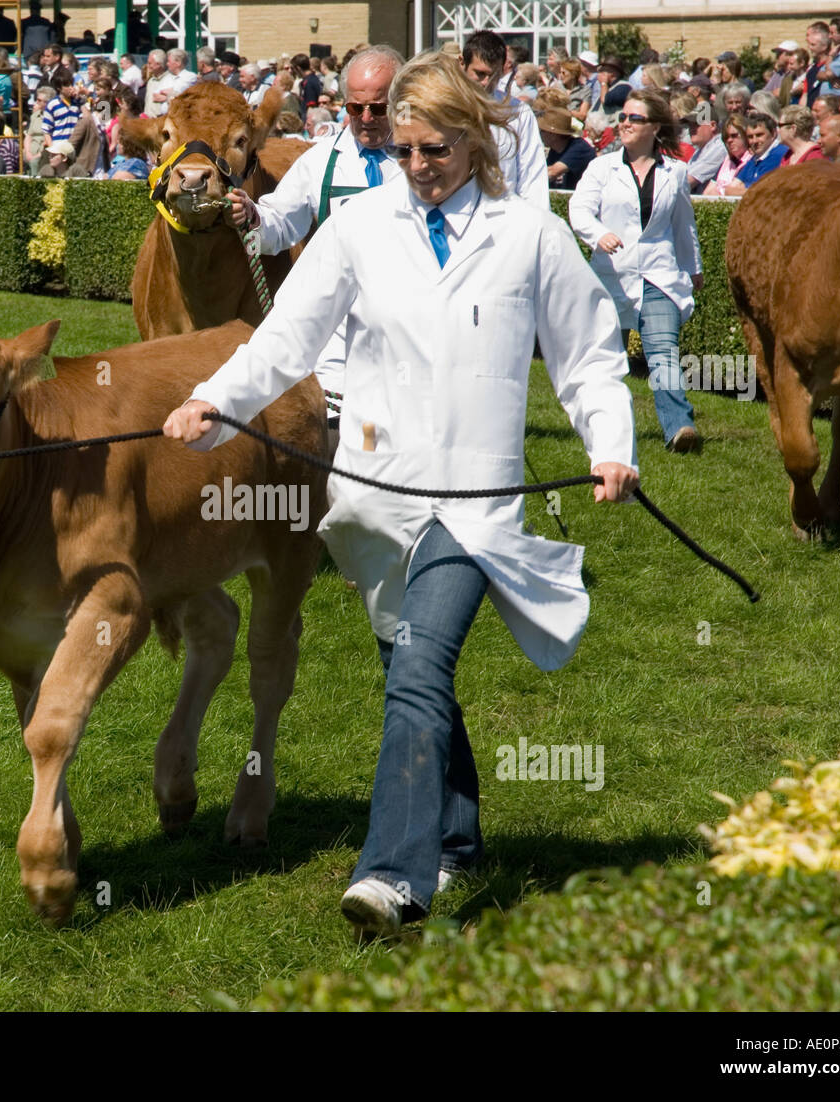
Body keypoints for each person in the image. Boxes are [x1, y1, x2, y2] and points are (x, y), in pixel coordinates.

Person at [164, 50, 638, 937]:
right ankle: (457, 839)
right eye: (407, 151)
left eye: (438, 150)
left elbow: (589, 355)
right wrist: (214, 402)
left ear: (477, 142)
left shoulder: (531, 234)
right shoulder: (358, 227)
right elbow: (286, 338)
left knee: (419, 664)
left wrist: (610, 445)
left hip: (476, 503)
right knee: (412, 672)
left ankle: (393, 876)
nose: (419, 167)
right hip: (376, 501)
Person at [226, 45, 404, 447]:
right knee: (339, 455)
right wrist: (254, 217)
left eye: (378, 108)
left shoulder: (425, 162)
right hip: (338, 336)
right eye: (356, 109)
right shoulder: (320, 161)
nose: (366, 119)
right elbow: (280, 223)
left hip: (407, 331)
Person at [570, 88, 705, 453]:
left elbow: (683, 225)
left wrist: (692, 267)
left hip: (659, 275)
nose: (625, 123)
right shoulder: (602, 167)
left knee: (663, 353)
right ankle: (601, 427)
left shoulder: (675, 172)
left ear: (655, 128)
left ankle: (680, 429)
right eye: (623, 117)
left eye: (635, 118)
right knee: (605, 358)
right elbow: (579, 210)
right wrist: (599, 235)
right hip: (611, 274)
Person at [461, 30, 548, 207]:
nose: (486, 82)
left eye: (493, 75)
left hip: (504, 216)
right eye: (479, 74)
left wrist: (537, 225)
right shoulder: (445, 107)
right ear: (462, 64)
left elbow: (532, 175)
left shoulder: (518, 112)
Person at [536, 104, 593, 187]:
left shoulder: (580, 148)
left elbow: (551, 172)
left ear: (553, 134)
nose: (539, 134)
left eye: (542, 130)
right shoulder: (555, 150)